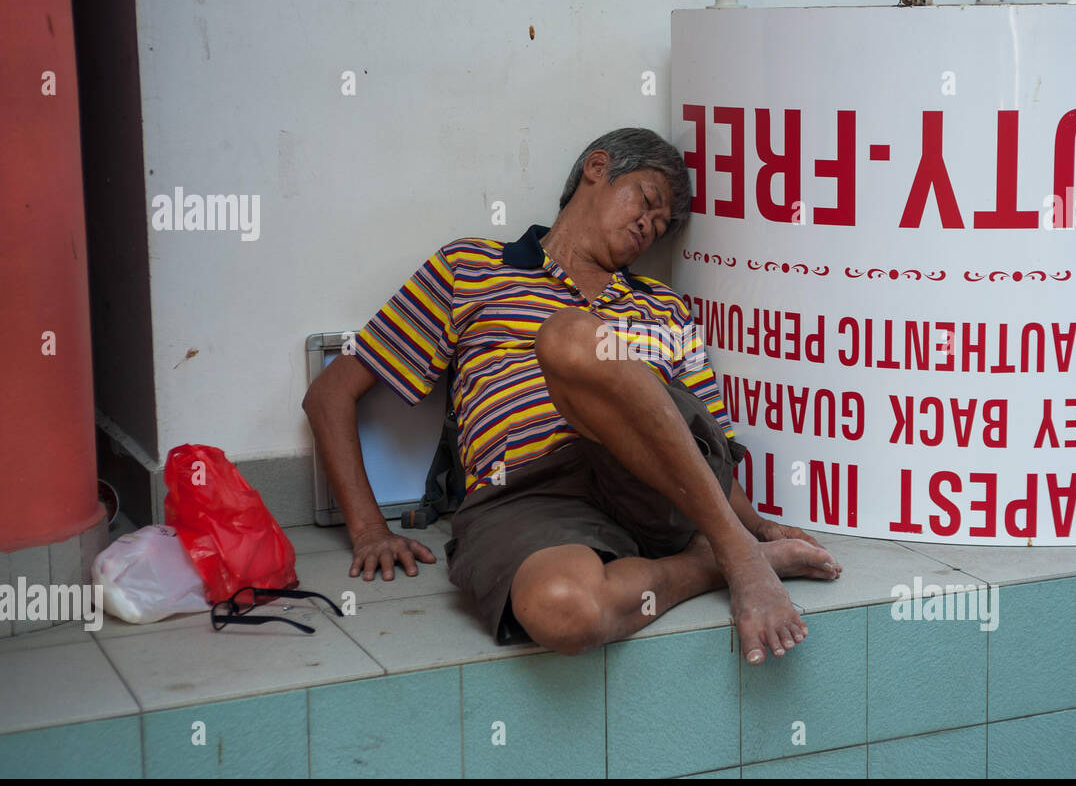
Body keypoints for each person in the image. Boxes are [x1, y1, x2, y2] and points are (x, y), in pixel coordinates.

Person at [302, 127, 841, 665]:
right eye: (646, 203)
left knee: (570, 337)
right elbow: (329, 395)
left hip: (659, 484)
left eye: (658, 228)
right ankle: (716, 563)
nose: (646, 229)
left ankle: (741, 555)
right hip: (529, 494)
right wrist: (370, 530)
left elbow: (712, 442)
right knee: (563, 612)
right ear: (598, 168)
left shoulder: (665, 306)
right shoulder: (466, 269)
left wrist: (757, 523)